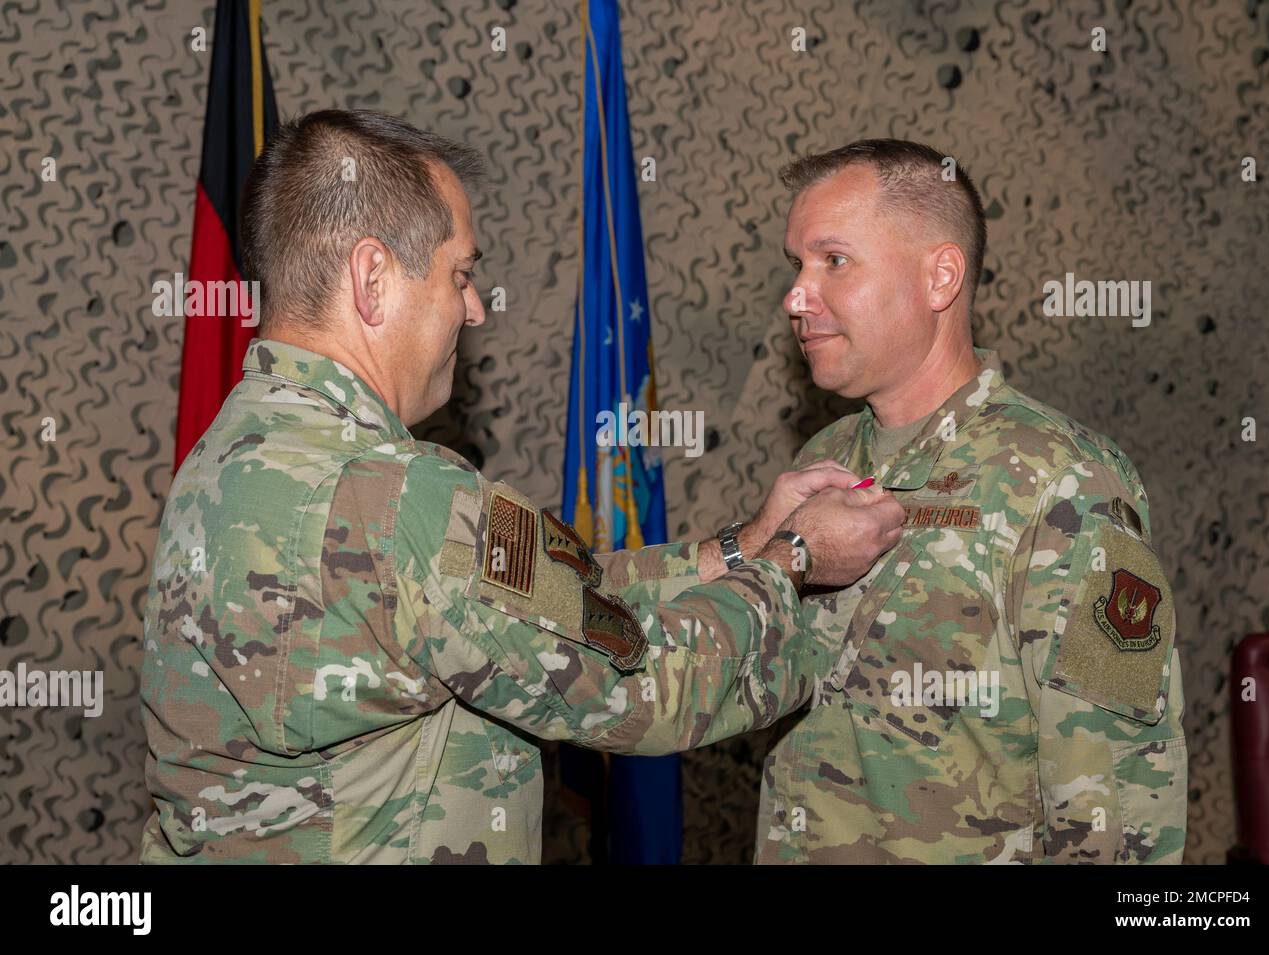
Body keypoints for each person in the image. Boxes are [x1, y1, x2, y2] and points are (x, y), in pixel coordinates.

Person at [138, 110, 905, 864]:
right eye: (460, 274)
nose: (473, 308)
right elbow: (648, 687)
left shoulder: (225, 458)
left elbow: (565, 602)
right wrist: (797, 557)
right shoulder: (401, 499)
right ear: (372, 278)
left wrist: (740, 549)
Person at [753, 140, 1186, 864]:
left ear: (940, 277)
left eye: (833, 260)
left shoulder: (1063, 482)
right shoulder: (821, 462)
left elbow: (1119, 802)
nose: (796, 297)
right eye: (794, 266)